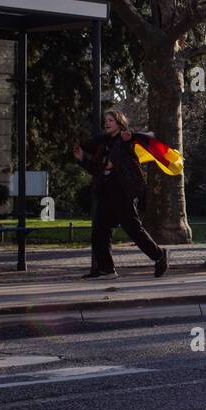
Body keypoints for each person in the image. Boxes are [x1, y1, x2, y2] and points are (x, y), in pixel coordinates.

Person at [73, 110, 169, 282]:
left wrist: (130, 138)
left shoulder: (125, 140)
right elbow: (97, 170)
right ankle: (106, 270)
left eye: (111, 120)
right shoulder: (104, 143)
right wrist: (82, 159)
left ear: (119, 122)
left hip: (123, 193)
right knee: (99, 232)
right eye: (106, 120)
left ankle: (160, 255)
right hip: (106, 193)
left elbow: (142, 138)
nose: (107, 123)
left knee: (134, 230)